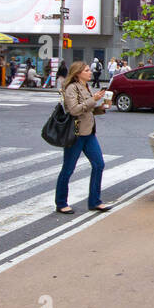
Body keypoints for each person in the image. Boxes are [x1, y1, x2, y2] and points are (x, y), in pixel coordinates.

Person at [55, 61, 110, 214]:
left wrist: (102, 107)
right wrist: (94, 99)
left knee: (99, 164)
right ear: (78, 73)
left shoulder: (86, 86)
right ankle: (61, 202)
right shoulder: (72, 88)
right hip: (76, 134)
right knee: (68, 169)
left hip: (89, 133)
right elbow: (74, 110)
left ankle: (95, 201)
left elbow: (89, 110)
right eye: (86, 70)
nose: (90, 72)